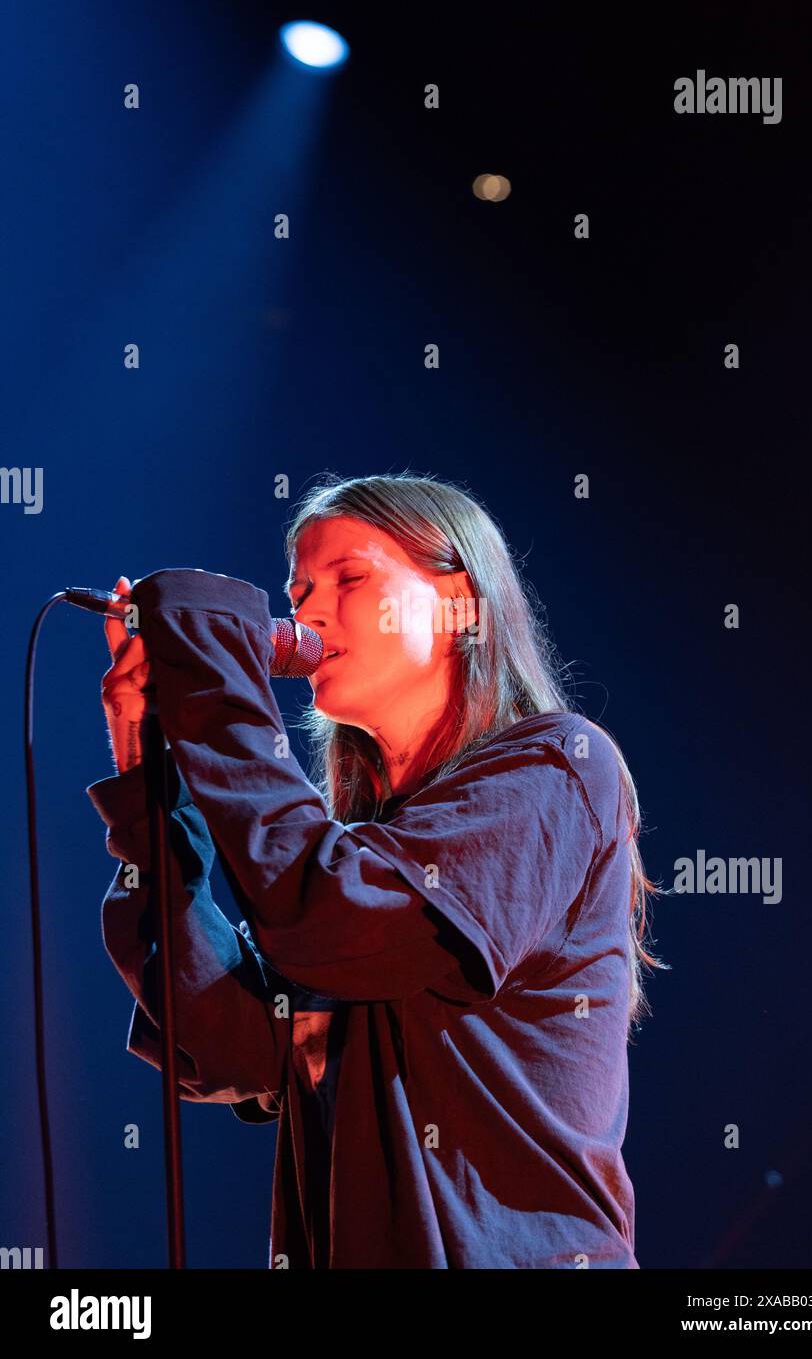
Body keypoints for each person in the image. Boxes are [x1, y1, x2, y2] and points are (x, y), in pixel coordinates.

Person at [87, 471, 665, 1268]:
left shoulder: (561, 768)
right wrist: (148, 772)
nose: (307, 613)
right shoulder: (357, 853)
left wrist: (215, 669)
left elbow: (332, 912)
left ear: (461, 604)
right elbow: (225, 1043)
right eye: (298, 591)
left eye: (349, 578)